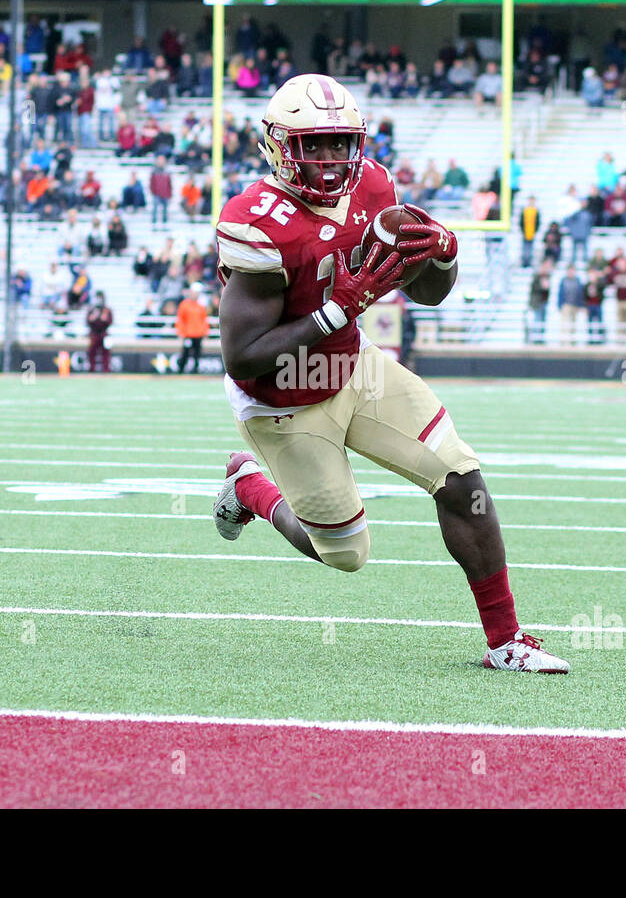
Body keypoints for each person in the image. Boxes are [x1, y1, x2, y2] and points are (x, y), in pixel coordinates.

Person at [210, 74, 567, 674]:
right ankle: (250, 484)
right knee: (345, 553)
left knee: (461, 478)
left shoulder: (373, 188)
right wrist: (333, 311)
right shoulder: (256, 220)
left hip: (353, 369)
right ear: (276, 144)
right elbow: (243, 355)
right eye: (312, 144)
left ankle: (505, 640)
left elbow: (428, 293)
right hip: (282, 399)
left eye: (339, 143)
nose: (328, 160)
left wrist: (443, 254)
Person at [174, 283, 209, 373]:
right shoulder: (184, 305)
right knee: (185, 353)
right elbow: (180, 320)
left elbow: (204, 320)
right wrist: (180, 332)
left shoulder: (201, 306)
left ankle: (195, 370)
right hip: (188, 334)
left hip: (198, 334)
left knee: (197, 353)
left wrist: (205, 332)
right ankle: (181, 369)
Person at [87, 291, 113, 373]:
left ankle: (106, 369)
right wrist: (93, 318)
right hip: (94, 334)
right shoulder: (92, 309)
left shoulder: (107, 310)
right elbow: (88, 321)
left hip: (104, 333)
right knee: (92, 351)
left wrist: (104, 319)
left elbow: (110, 321)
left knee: (106, 352)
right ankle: (92, 369)